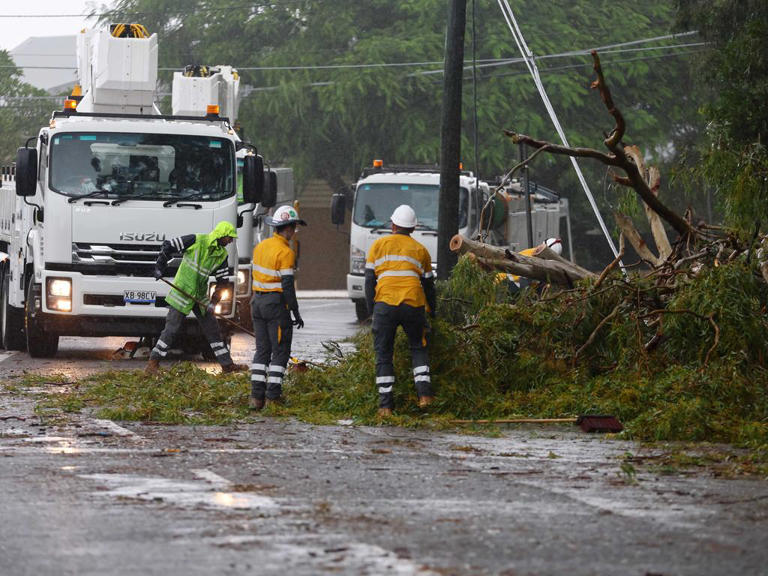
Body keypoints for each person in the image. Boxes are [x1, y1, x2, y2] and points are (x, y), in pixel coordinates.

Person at [146, 221, 247, 374]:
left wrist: (213, 302)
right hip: (182, 292)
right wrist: (160, 267)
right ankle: (153, 363)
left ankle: (227, 365)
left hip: (199, 297)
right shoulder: (196, 240)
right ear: (221, 235)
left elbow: (223, 282)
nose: (231, 241)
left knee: (213, 330)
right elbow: (168, 246)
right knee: (171, 330)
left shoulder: (222, 255)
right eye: (229, 237)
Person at [365, 204, 436, 417]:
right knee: (418, 347)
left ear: (393, 225)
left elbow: (369, 281)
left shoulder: (378, 245)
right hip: (413, 304)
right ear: (413, 229)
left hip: (385, 305)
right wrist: (432, 311)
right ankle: (424, 396)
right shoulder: (420, 250)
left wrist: (372, 311)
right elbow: (429, 286)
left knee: (384, 353)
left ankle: (385, 406)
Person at [248, 205, 307, 411]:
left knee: (262, 351)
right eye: (294, 228)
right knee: (280, 350)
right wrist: (295, 311)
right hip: (275, 306)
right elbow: (288, 286)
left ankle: (256, 398)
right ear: (288, 229)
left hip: (257, 303)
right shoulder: (286, 252)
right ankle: (273, 397)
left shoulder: (261, 246)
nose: (294, 233)